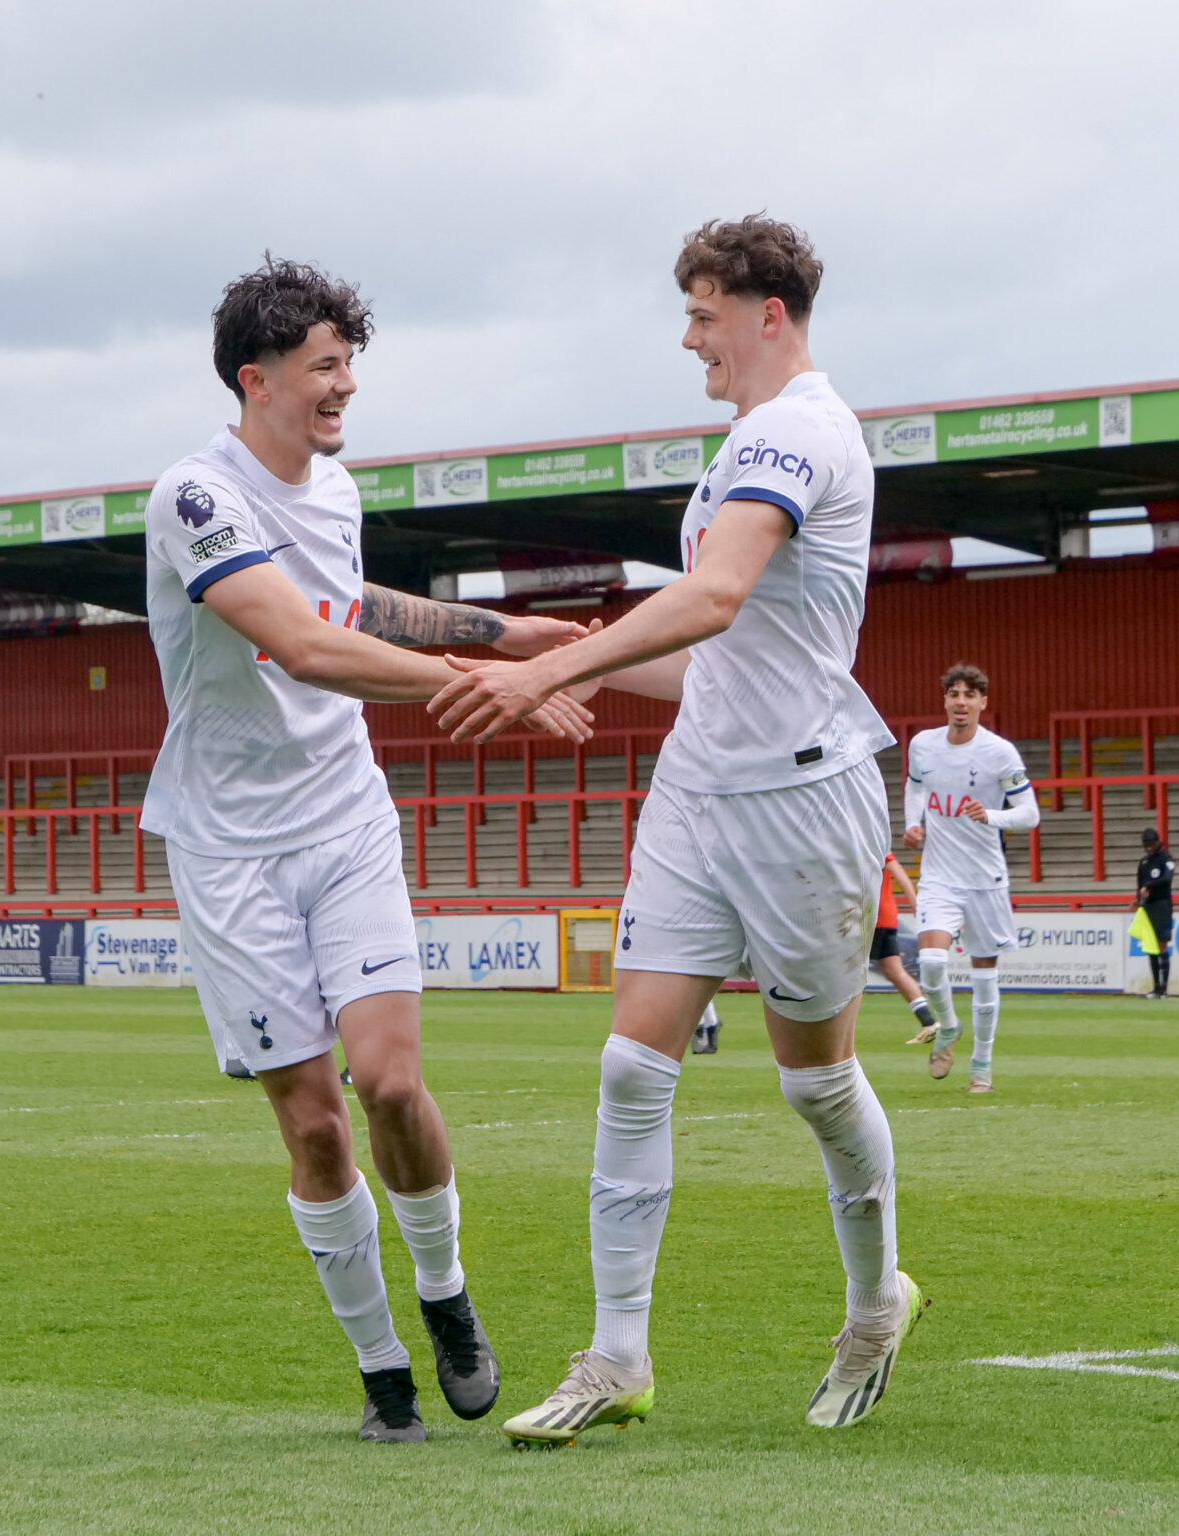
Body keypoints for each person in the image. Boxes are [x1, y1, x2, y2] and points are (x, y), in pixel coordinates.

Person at [430, 215, 926, 1436]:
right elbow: (717, 652)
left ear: (770, 315)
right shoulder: (743, 443)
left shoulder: (802, 430)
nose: (690, 338)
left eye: (705, 315)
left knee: (816, 1086)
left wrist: (553, 676)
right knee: (631, 1062)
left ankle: (876, 1302)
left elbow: (714, 595)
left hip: (805, 801)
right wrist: (565, 655)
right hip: (701, 791)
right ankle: (617, 1357)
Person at [141, 257, 596, 1443]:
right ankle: (382, 1366)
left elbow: (352, 606)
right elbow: (301, 643)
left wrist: (510, 631)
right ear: (258, 378)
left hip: (343, 814)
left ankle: (444, 1296)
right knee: (313, 1124)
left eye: (351, 365)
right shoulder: (194, 497)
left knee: (389, 1080)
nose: (346, 389)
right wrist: (492, 678)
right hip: (229, 849)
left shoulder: (334, 493)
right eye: (325, 367)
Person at [903, 665, 1040, 1093]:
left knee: (984, 975)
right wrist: (913, 824)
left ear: (984, 702)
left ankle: (982, 1063)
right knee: (930, 963)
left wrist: (991, 816)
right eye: (954, 693)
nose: (961, 702)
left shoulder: (999, 753)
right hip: (940, 875)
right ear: (944, 700)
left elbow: (1030, 814)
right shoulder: (922, 745)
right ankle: (948, 1026)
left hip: (985, 879)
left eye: (970, 694)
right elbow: (914, 787)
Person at [872, 851, 938, 1043]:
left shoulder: (870, 840)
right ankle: (928, 1021)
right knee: (894, 970)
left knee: (848, 973)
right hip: (885, 917)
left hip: (871, 918)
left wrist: (916, 905)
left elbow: (896, 870)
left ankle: (835, 1030)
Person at [1134, 828, 1176, 998]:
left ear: (1158, 842)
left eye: (1151, 844)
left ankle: (1164, 989)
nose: (1149, 848)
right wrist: (1137, 900)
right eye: (1146, 845)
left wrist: (1149, 886)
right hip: (1148, 907)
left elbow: (1167, 878)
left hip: (1162, 905)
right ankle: (1156, 987)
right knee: (1150, 946)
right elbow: (1139, 885)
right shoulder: (1144, 863)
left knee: (1162, 944)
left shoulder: (1166, 859)